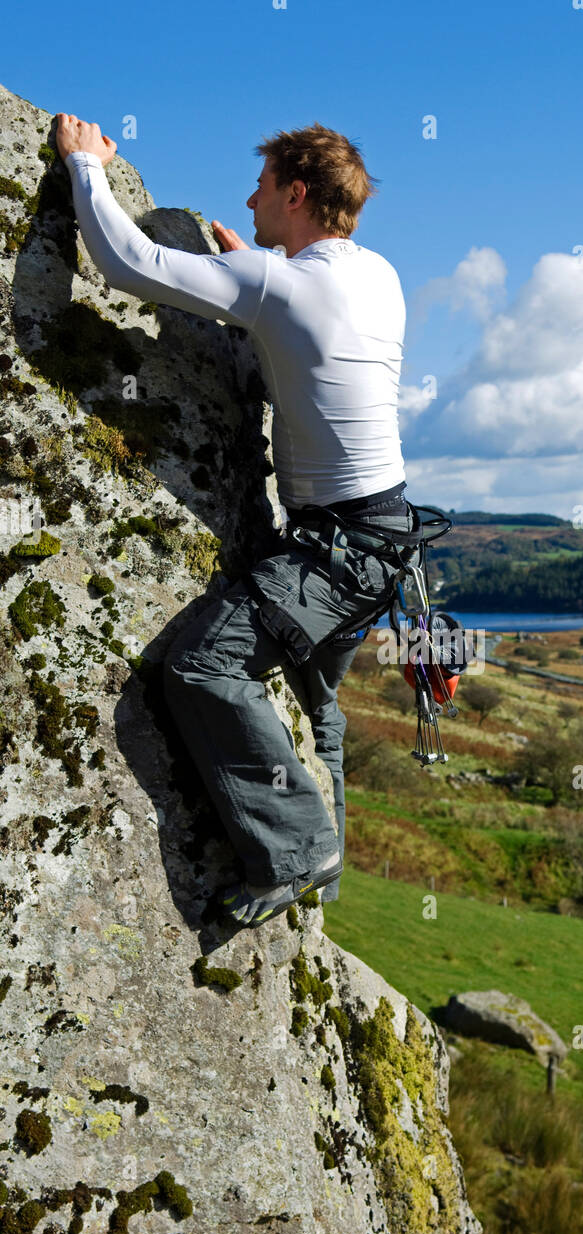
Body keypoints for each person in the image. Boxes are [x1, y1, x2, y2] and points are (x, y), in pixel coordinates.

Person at [56, 112, 417, 925]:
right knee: (313, 703)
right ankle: (319, 885)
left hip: (337, 550)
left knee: (201, 667)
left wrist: (85, 169)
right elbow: (307, 337)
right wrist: (258, 269)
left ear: (295, 191)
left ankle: (295, 852)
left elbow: (127, 263)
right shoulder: (377, 275)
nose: (247, 199)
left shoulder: (277, 283)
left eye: (260, 187)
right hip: (384, 541)